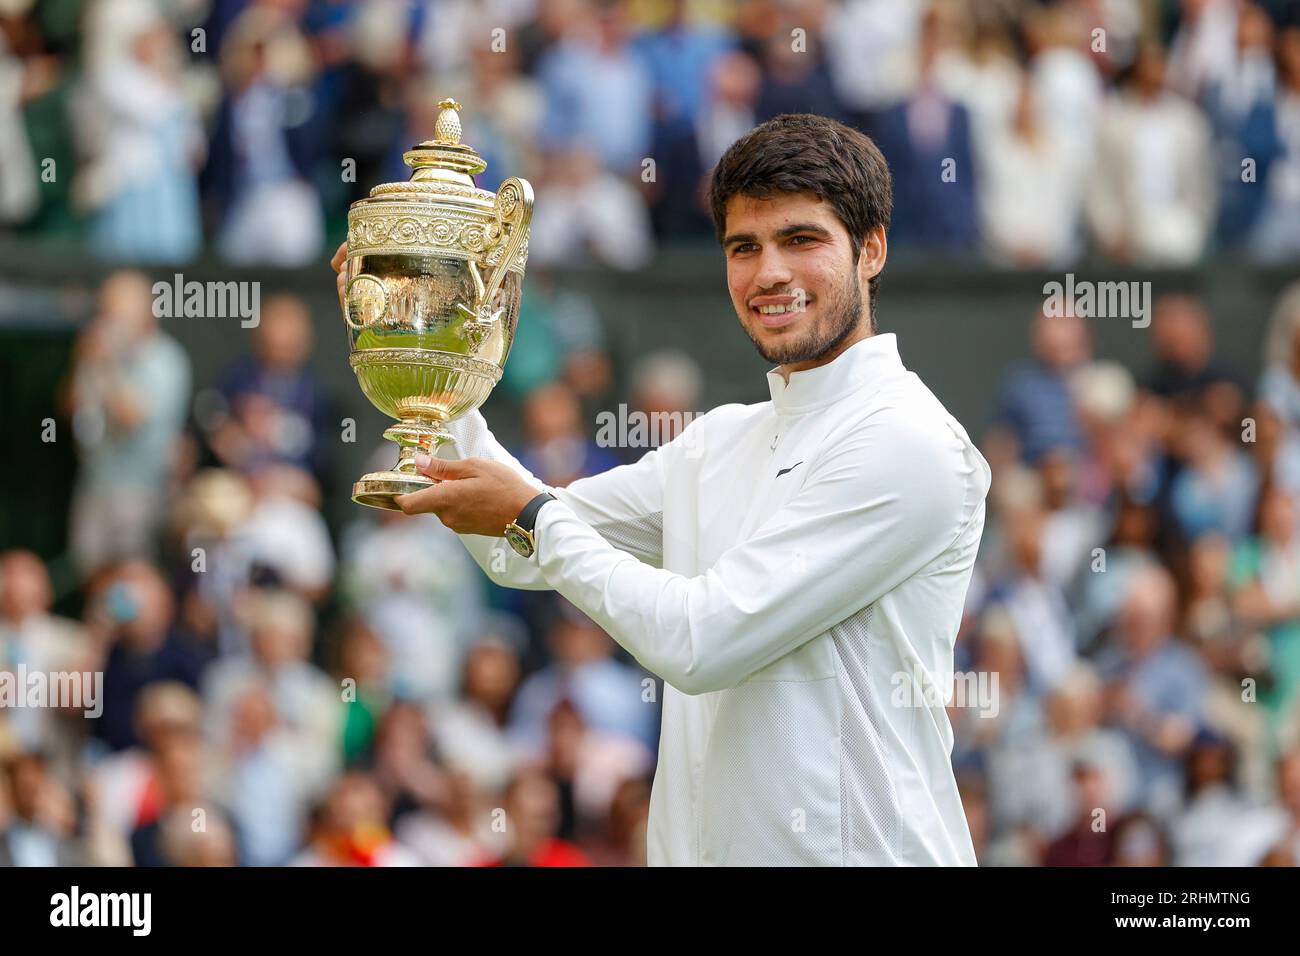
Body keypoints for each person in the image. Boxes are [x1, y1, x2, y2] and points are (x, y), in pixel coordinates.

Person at [331, 112, 992, 866]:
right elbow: (518, 547)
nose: (768, 272)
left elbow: (701, 639)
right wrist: (431, 348)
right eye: (744, 248)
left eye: (801, 240)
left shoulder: (910, 443)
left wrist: (532, 517)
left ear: (870, 249)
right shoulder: (722, 440)